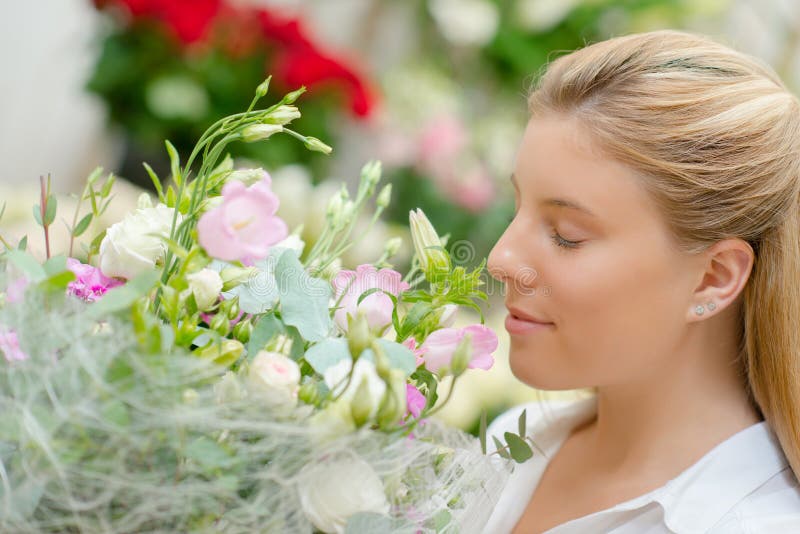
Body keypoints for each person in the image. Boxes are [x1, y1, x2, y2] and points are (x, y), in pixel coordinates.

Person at [482, 29, 800, 533]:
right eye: (516, 209)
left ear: (713, 279)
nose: (501, 258)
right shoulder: (512, 447)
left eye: (566, 235)